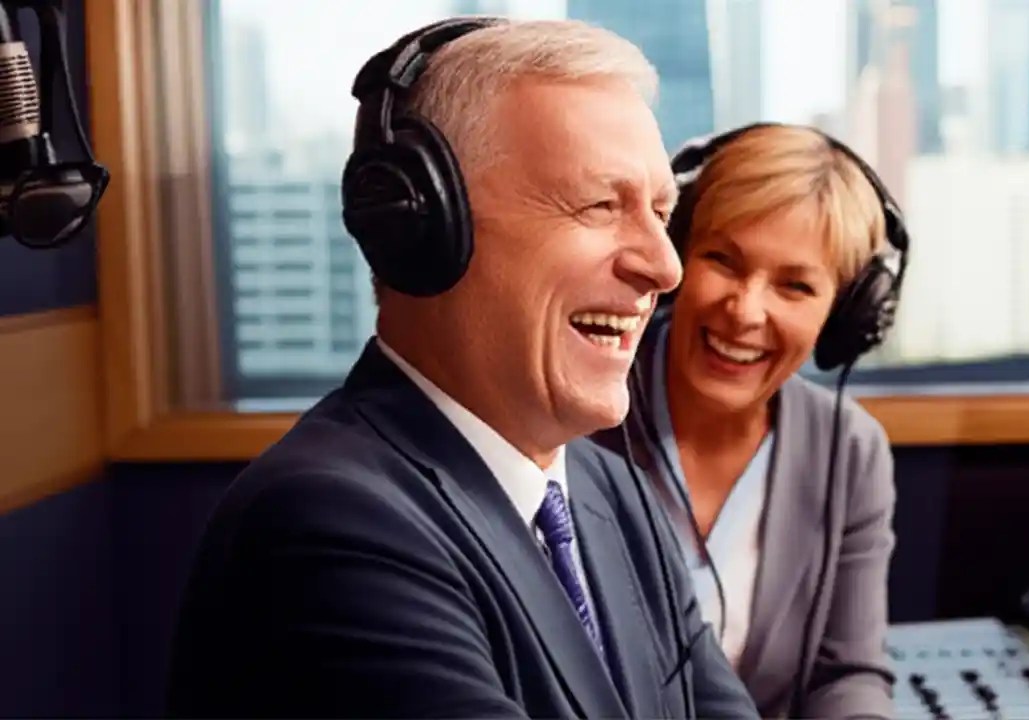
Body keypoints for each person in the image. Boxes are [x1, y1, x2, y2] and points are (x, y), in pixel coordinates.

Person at [165, 17, 761, 719]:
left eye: (660, 213)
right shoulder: (329, 522)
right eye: (601, 205)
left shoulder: (615, 492)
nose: (664, 267)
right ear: (423, 221)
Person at [594, 122, 907, 719]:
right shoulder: (582, 408)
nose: (745, 311)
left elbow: (847, 673)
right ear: (678, 250)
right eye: (723, 261)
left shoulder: (849, 449)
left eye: (795, 286)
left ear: (843, 313)